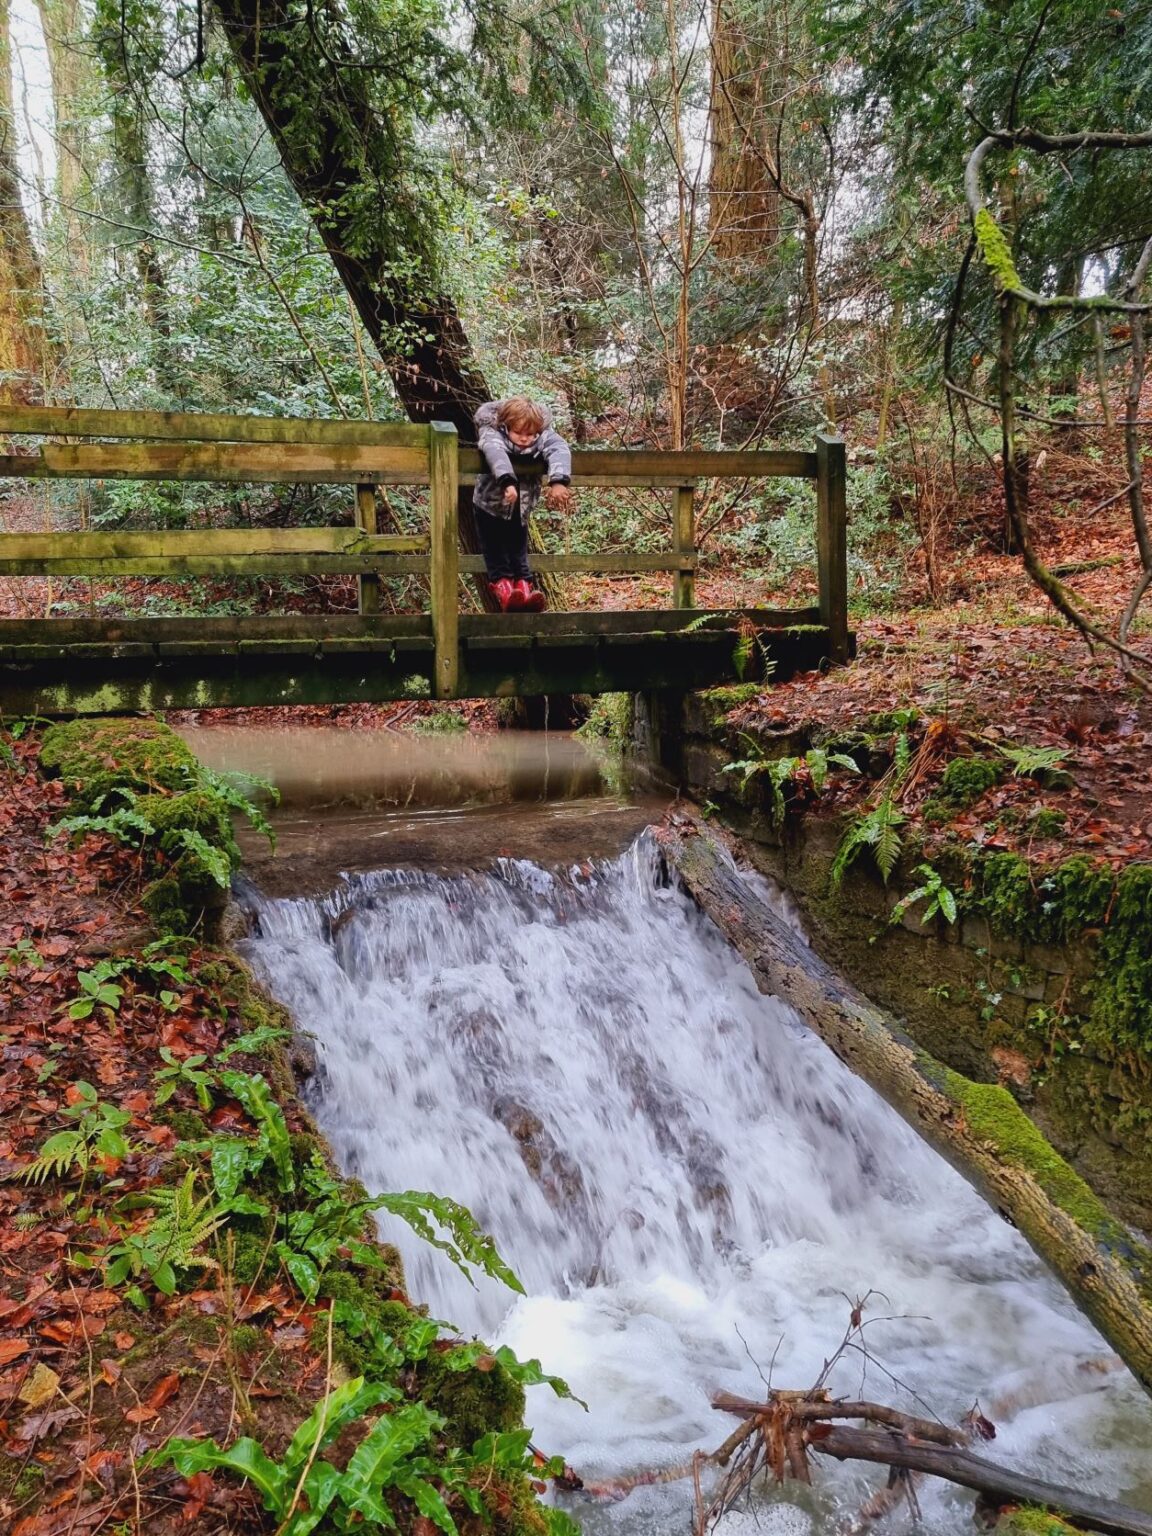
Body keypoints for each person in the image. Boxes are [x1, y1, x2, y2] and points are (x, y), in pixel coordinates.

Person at [473, 397, 572, 612]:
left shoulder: (540, 433)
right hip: (489, 505)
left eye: (531, 434)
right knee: (496, 550)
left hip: (521, 506)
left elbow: (559, 447)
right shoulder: (492, 432)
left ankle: (525, 591)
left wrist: (558, 481)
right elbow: (494, 451)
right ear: (506, 425)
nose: (526, 439)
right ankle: (505, 591)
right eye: (519, 433)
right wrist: (507, 481)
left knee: (518, 549)